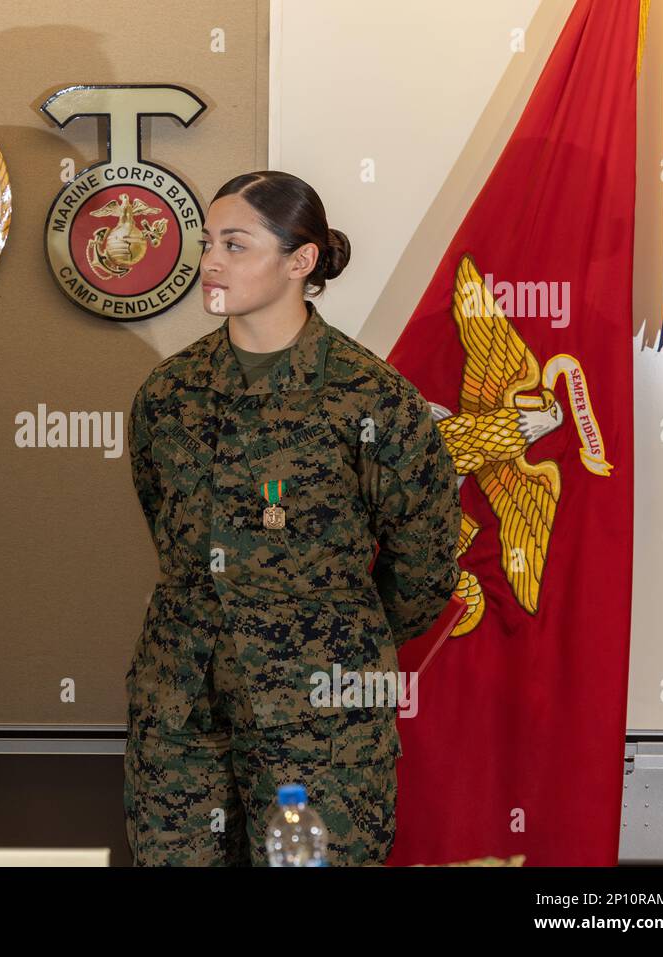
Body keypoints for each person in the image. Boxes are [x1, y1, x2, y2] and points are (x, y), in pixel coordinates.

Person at [124, 170, 460, 866]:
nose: (210, 261)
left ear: (299, 261)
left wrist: (332, 636)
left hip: (321, 717)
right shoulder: (169, 393)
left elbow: (423, 566)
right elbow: (166, 522)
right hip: (181, 709)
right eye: (208, 242)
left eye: (236, 244)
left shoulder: (371, 397)